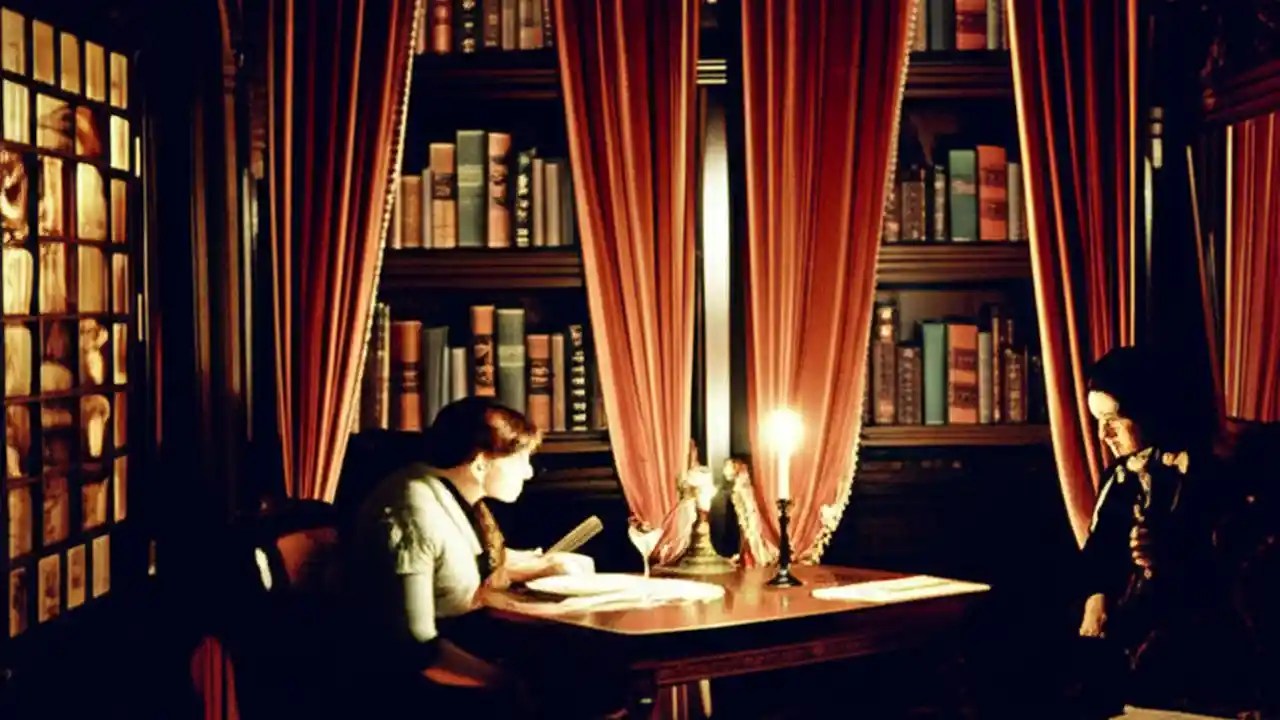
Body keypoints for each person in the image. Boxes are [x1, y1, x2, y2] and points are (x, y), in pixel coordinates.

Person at [346, 397, 593, 714]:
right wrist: (512, 685)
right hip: (422, 696)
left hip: (471, 655)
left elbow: (460, 562)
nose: (529, 473)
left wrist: (544, 565)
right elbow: (416, 651)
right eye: (521, 460)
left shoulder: (446, 492)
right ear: (481, 463)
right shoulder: (413, 514)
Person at [1076, 345, 1258, 717]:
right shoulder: (1121, 477)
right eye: (1097, 420)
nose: (1102, 435)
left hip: (1203, 638)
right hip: (1132, 631)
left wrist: (1165, 556)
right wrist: (1096, 598)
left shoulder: (1210, 472)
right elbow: (1098, 552)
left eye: (1113, 419)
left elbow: (1232, 568)